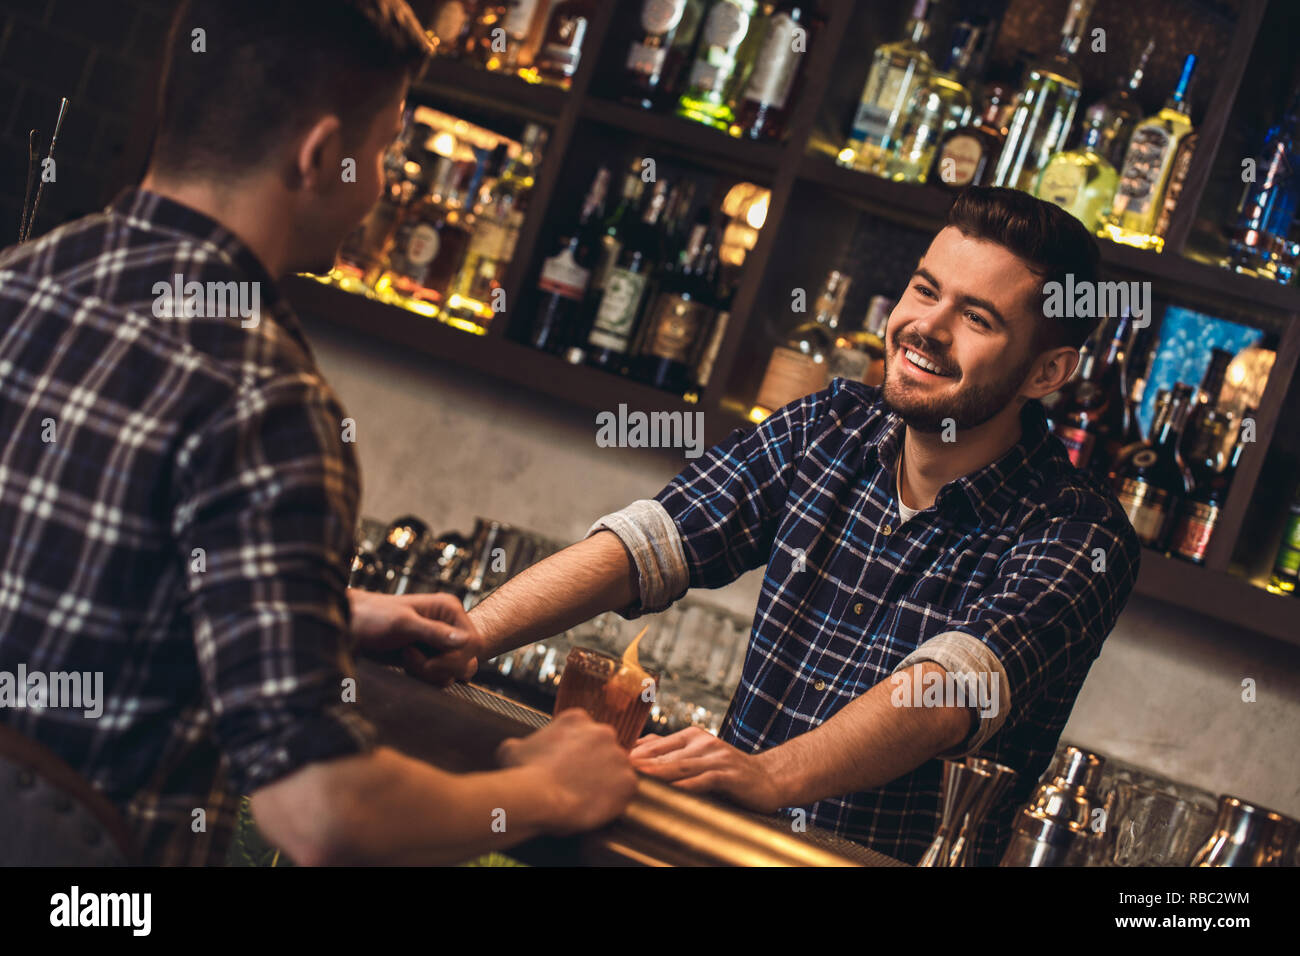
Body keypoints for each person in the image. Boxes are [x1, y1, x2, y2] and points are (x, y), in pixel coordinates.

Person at [0, 0, 634, 866]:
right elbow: (320, 810)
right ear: (320, 155)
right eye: (382, 153)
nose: (381, 187)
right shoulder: (269, 400)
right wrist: (550, 786)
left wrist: (314, 611)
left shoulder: (21, 282)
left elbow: (56, 561)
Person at [458, 187, 1142, 866]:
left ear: (1049, 371)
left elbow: (948, 690)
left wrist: (772, 777)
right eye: (925, 290)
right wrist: (468, 637)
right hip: (722, 851)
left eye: (978, 319)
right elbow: (650, 544)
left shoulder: (1078, 533)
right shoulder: (829, 428)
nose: (927, 327)